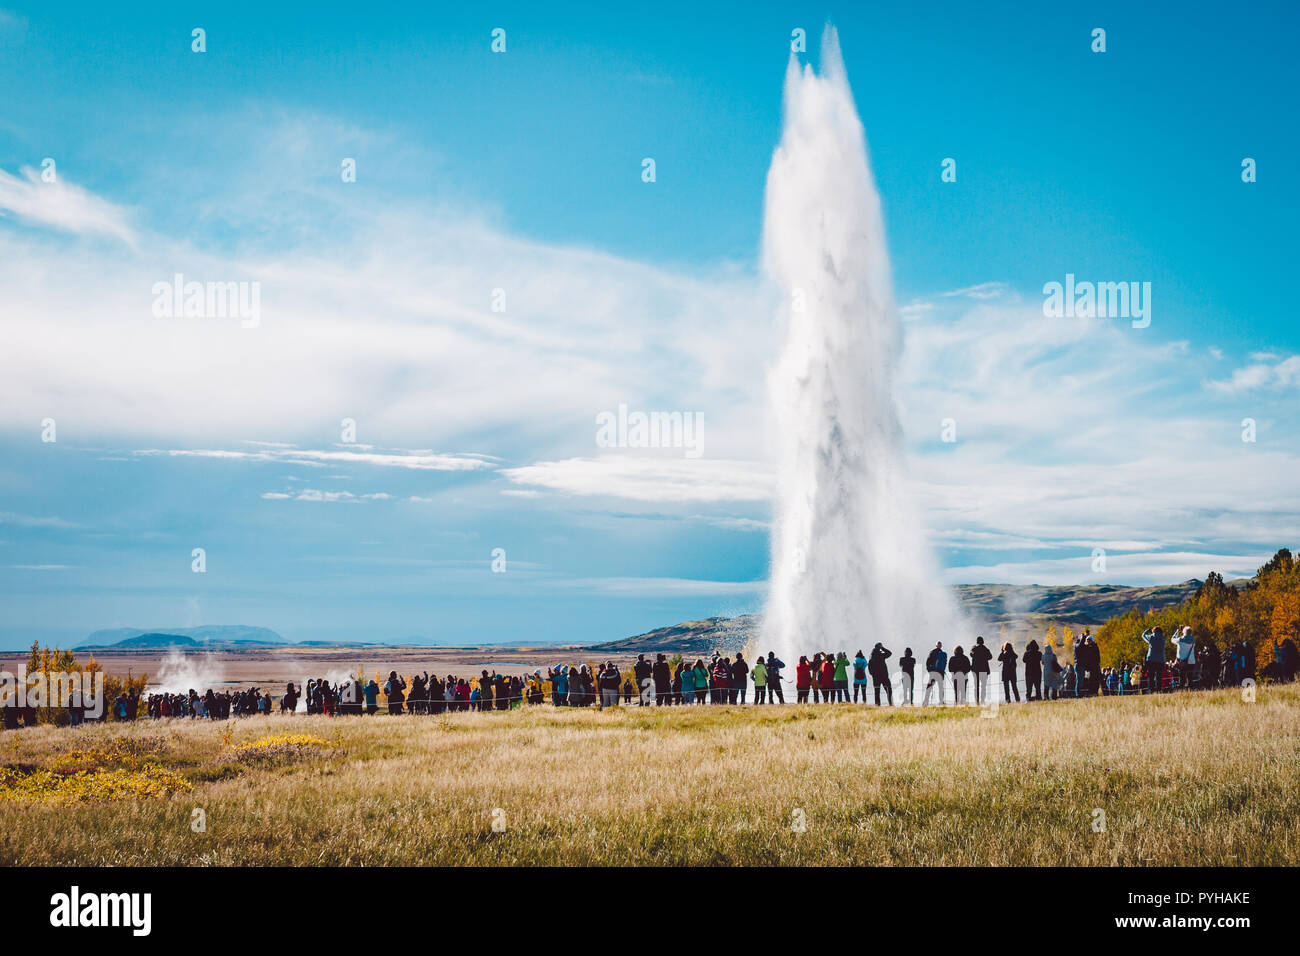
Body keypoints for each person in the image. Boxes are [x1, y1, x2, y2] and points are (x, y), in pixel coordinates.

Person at [1141, 627, 1166, 694]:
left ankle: (1151, 690)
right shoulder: (1163, 638)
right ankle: (1159, 690)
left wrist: (1147, 630)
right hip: (1161, 659)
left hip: (1151, 659)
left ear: (1153, 631)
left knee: (1151, 676)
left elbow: (1143, 635)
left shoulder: (1151, 637)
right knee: (1159, 676)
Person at [970, 636, 993, 705]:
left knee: (976, 686)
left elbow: (971, 654)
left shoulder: (974, 648)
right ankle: (982, 700)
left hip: (976, 670)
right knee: (983, 686)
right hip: (984, 670)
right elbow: (990, 657)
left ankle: (977, 701)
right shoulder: (985, 649)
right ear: (983, 641)